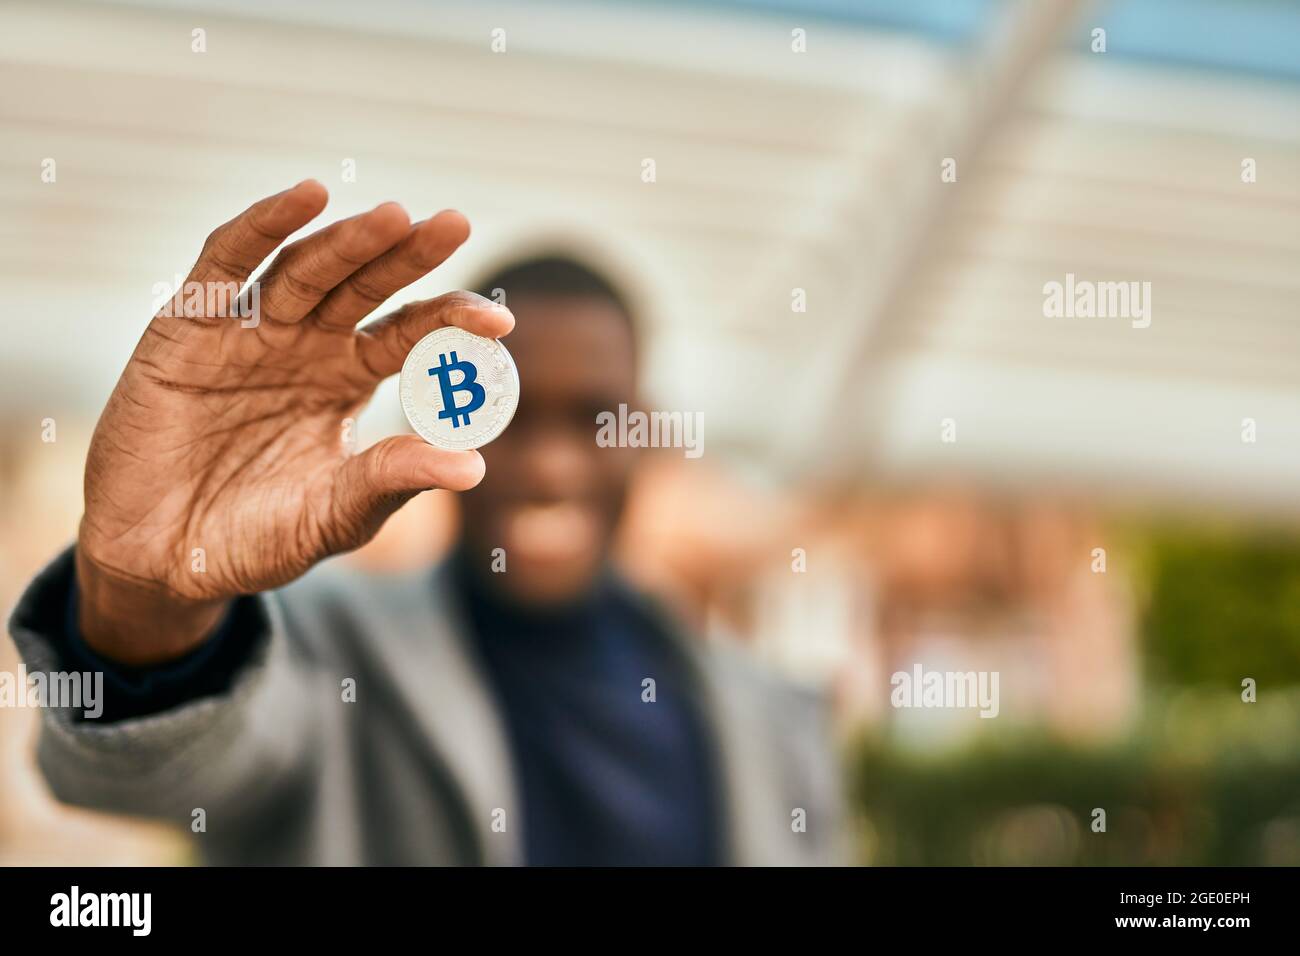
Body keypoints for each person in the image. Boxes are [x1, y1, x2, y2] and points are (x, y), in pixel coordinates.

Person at [8, 181, 846, 865]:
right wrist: (146, 595)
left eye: (594, 418)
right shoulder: (325, 653)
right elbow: (138, 777)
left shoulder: (765, 711)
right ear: (454, 419)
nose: (553, 466)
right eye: (512, 416)